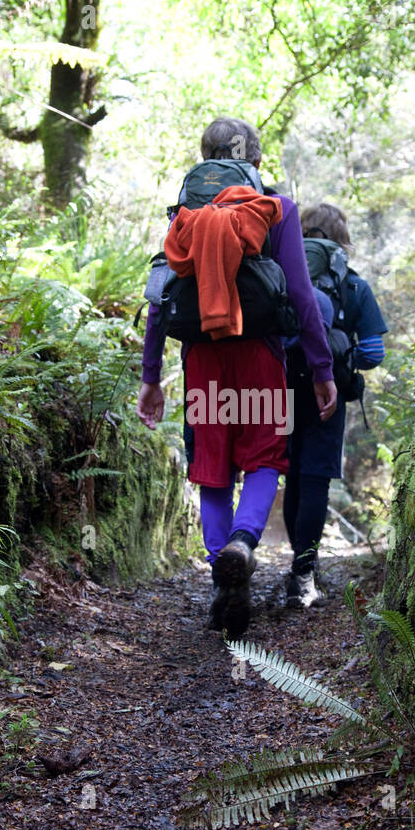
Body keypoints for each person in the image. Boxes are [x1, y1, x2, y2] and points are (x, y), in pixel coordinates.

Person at [136, 118, 337, 638]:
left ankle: (218, 581)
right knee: (265, 457)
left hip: (203, 360)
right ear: (255, 161)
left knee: (213, 467)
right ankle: (243, 544)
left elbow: (159, 300)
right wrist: (321, 369)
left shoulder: (185, 211)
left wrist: (151, 376)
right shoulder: (276, 209)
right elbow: (301, 297)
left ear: (204, 157)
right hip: (261, 358)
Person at [282, 203, 387, 609]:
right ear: (342, 238)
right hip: (327, 390)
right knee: (315, 480)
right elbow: (375, 351)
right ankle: (303, 574)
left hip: (280, 386)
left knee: (291, 475)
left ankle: (297, 567)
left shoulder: (281, 271)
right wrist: (345, 359)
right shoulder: (353, 285)